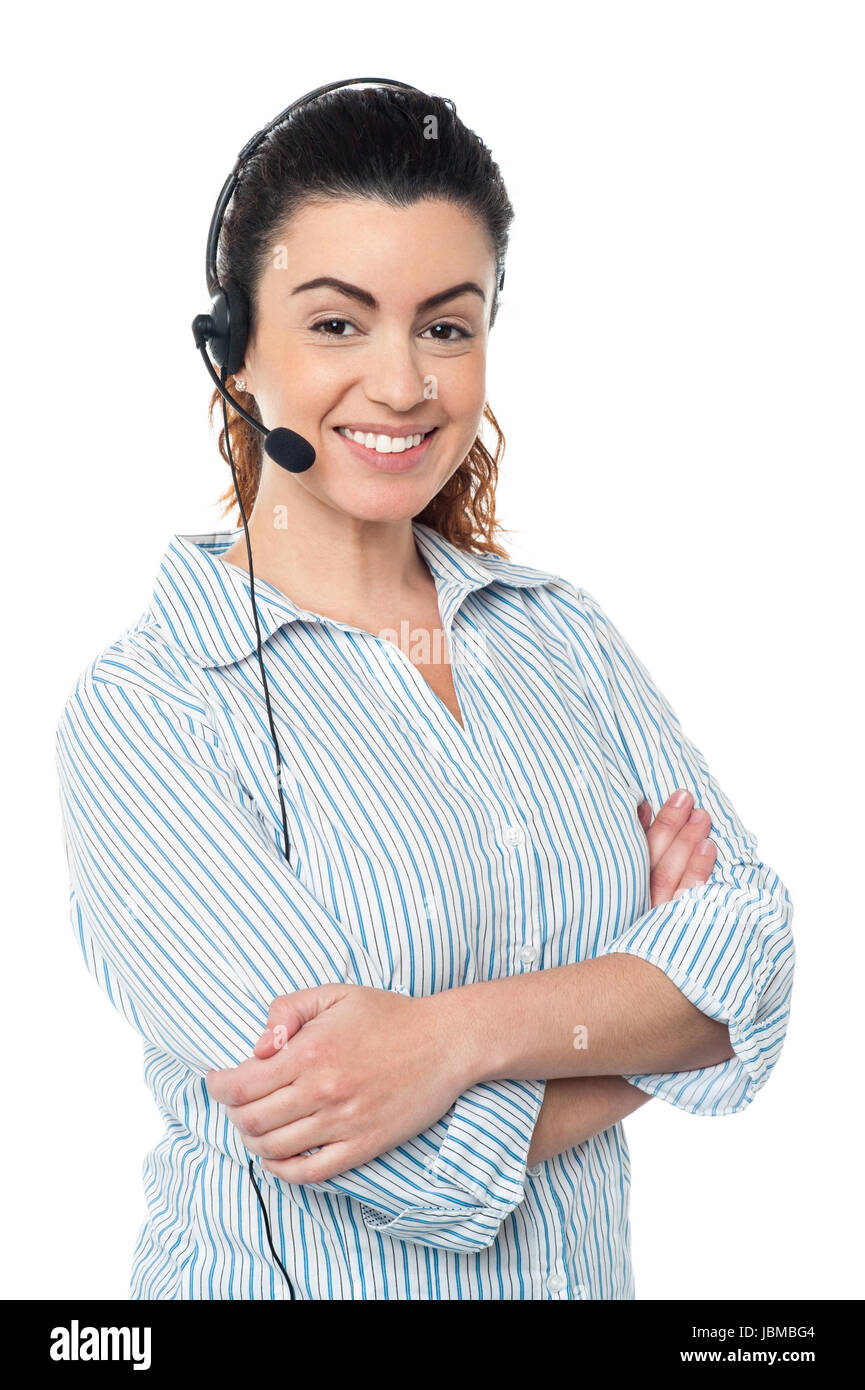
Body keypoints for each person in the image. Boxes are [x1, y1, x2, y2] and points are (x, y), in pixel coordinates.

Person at [54, 83, 795, 1301]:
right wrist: (664, 1026)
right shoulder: (151, 710)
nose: (402, 385)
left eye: (446, 327)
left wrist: (441, 1039)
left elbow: (757, 958)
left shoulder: (563, 635)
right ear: (236, 350)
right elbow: (360, 1137)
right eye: (338, 325)